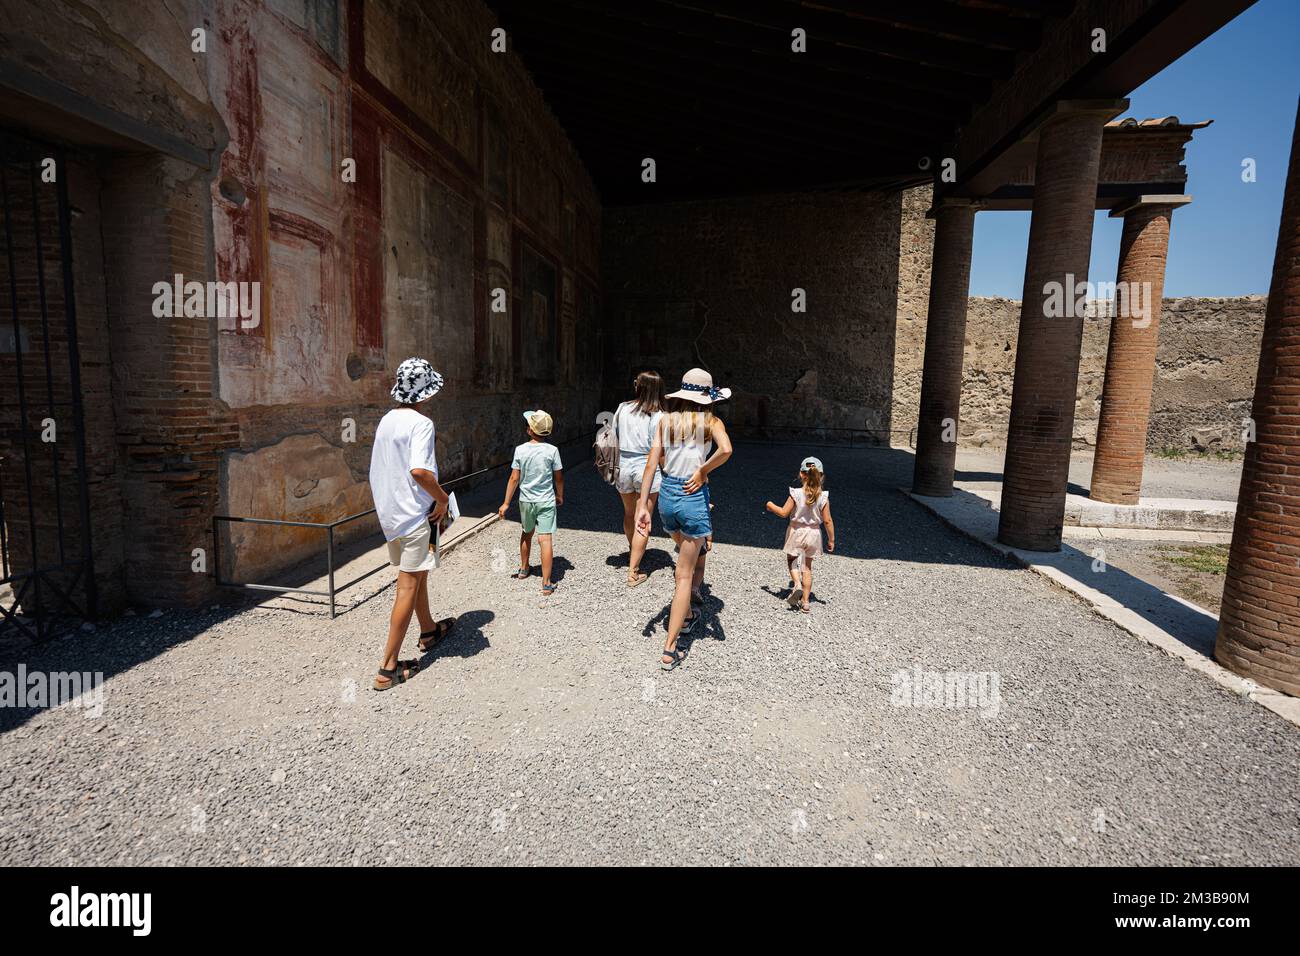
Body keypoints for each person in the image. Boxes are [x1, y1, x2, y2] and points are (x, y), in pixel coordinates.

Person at [368, 357, 456, 691]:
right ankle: (386, 668)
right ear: (426, 391)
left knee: (418, 576)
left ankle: (429, 630)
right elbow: (419, 471)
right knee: (406, 585)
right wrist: (443, 497)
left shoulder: (386, 421)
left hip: (392, 515)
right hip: (416, 516)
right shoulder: (422, 424)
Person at [636, 368, 732, 670]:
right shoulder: (711, 422)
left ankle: (688, 608)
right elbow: (726, 450)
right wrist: (703, 471)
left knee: (687, 546)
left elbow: (652, 464)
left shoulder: (666, 421)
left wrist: (642, 506)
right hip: (693, 496)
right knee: (683, 576)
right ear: (707, 398)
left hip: (667, 497)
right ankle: (670, 648)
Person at [498, 409, 565, 596]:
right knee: (545, 539)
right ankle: (546, 583)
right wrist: (560, 495)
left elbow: (514, 478)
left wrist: (505, 503)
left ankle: (524, 569)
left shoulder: (520, 450)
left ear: (529, 430)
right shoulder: (553, 451)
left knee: (526, 533)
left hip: (526, 500)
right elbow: (558, 477)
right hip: (546, 500)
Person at [765, 456, 835, 614]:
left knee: (792, 559)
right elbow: (828, 521)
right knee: (807, 567)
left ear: (801, 474)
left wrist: (770, 506)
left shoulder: (796, 493)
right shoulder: (823, 497)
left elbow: (783, 512)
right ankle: (805, 602)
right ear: (821, 476)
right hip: (814, 534)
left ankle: (796, 583)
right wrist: (831, 539)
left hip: (796, 531)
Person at [614, 371, 664, 586]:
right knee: (644, 518)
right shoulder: (659, 415)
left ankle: (633, 548)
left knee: (629, 513)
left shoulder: (622, 408)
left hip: (623, 464)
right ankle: (634, 571)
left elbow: (614, 434)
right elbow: (660, 449)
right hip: (647, 466)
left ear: (639, 386)